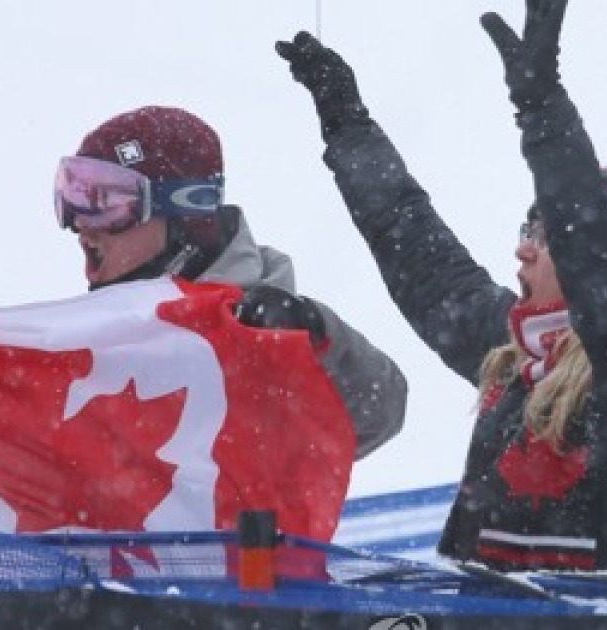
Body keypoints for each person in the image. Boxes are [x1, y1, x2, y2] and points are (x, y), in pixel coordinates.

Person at [276, 0, 607, 574]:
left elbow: (604, 277)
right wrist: (348, 123)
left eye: (547, 236)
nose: (522, 248)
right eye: (528, 228)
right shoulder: (518, 354)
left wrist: (544, 107)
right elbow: (415, 246)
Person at [55, 105, 407, 460]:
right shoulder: (88, 338)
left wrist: (313, 339)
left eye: (107, 201)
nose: (81, 224)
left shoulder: (259, 330)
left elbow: (379, 412)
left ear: (184, 216)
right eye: (75, 194)